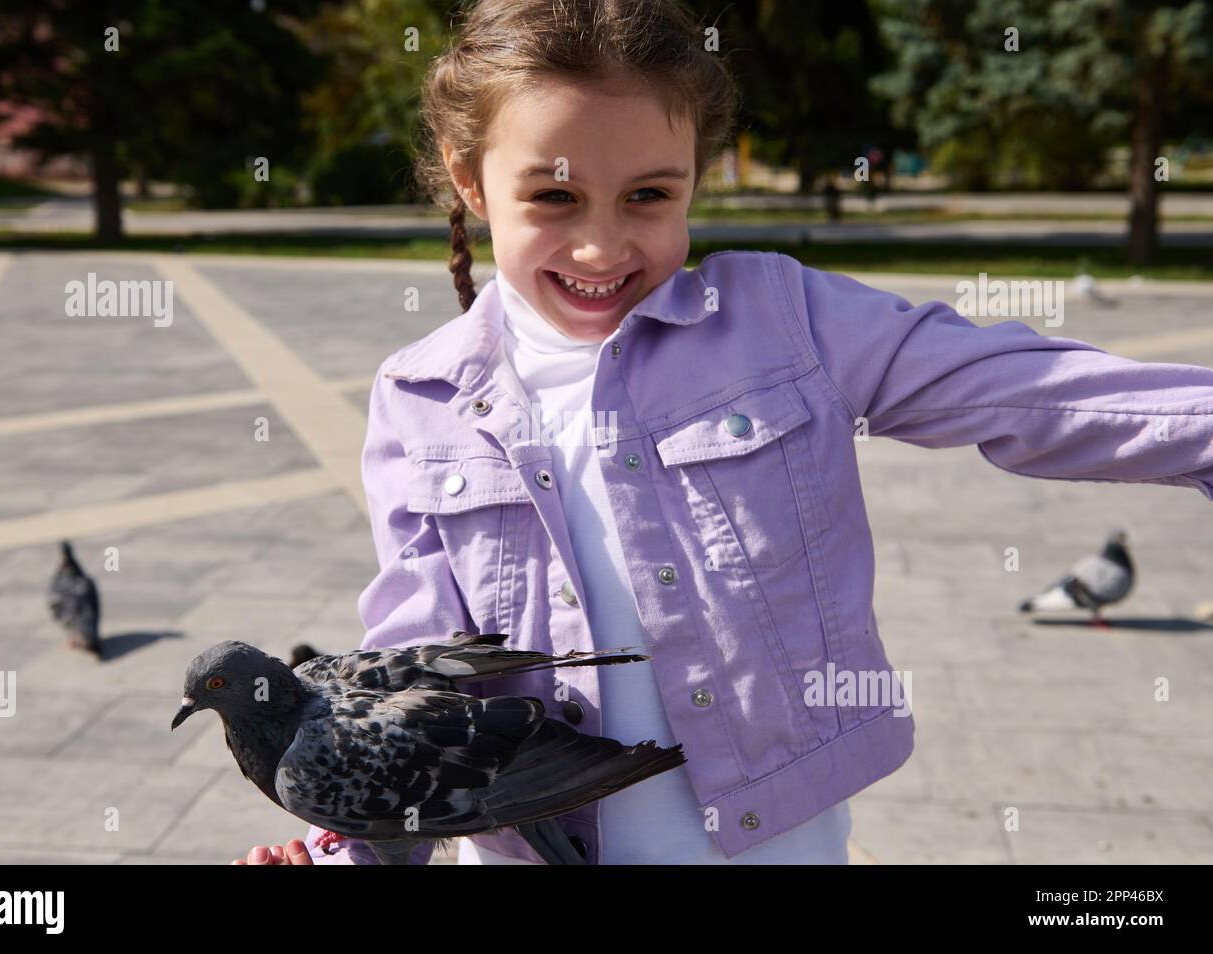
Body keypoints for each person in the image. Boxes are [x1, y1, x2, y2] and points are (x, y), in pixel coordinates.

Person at [236, 0, 1213, 865]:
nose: (601, 245)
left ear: (697, 176)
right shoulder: (420, 395)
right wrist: (340, 851)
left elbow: (1028, 393)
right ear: (470, 179)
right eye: (554, 197)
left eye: (650, 196)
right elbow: (407, 680)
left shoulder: (785, 322)